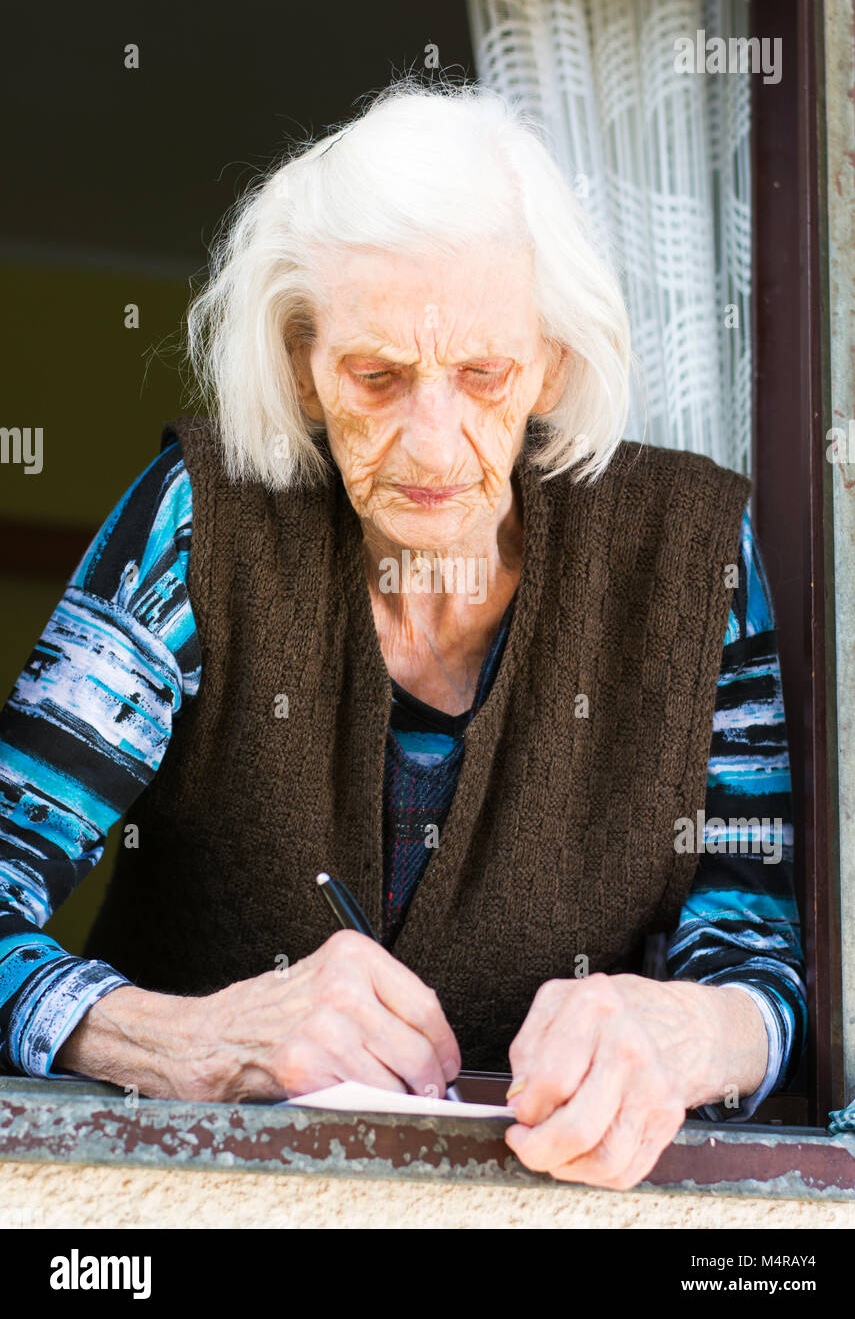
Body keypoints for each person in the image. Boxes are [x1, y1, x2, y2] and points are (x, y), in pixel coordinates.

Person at [0, 80, 805, 1190]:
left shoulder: (691, 560)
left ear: (551, 366)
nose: (432, 447)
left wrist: (689, 1034)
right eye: (376, 376)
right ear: (301, 368)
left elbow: (757, 951)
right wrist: (182, 1040)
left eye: (483, 374)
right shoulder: (196, 524)